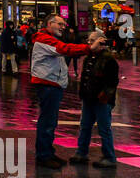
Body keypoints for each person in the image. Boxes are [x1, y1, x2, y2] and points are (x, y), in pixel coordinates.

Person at [30, 15, 94, 169]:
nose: (63, 26)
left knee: (50, 121)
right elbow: (64, 49)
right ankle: (44, 155)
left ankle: (47, 152)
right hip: (49, 84)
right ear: (49, 23)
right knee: (48, 121)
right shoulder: (45, 39)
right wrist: (89, 48)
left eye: (64, 24)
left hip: (52, 84)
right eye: (60, 24)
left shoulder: (47, 38)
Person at [70, 30, 117, 168]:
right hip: (88, 98)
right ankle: (81, 153)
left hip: (101, 100)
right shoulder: (89, 58)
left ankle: (109, 157)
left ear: (101, 41)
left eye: (92, 41)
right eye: (88, 41)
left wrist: (105, 96)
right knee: (85, 126)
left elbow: (112, 82)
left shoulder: (108, 59)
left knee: (104, 129)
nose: (89, 43)